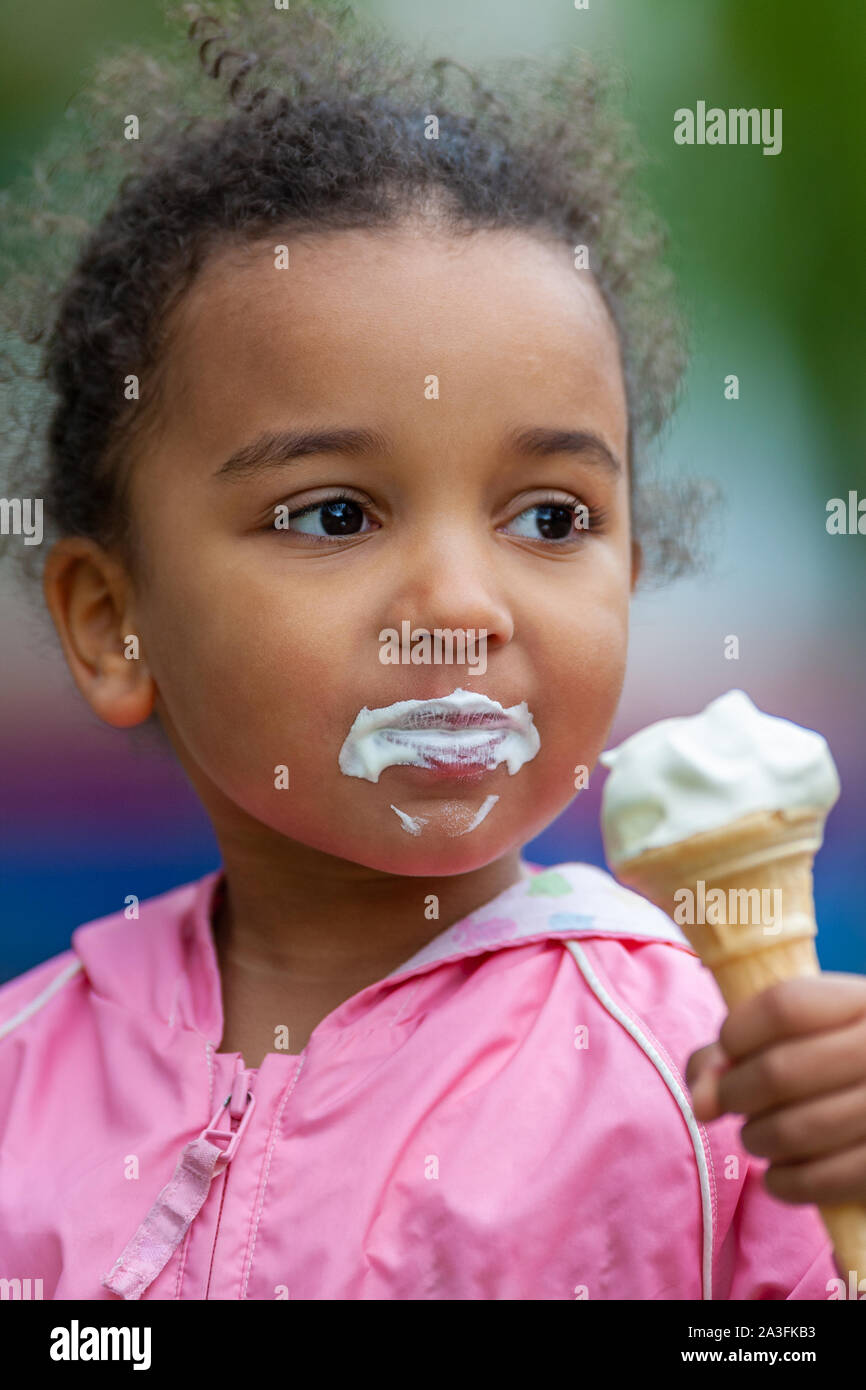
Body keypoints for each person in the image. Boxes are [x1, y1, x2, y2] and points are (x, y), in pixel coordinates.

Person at [1, 0, 862, 1301]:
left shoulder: (715, 1086)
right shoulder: (23, 1073)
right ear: (114, 622)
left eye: (548, 517)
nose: (460, 605)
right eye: (333, 513)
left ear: (628, 571)